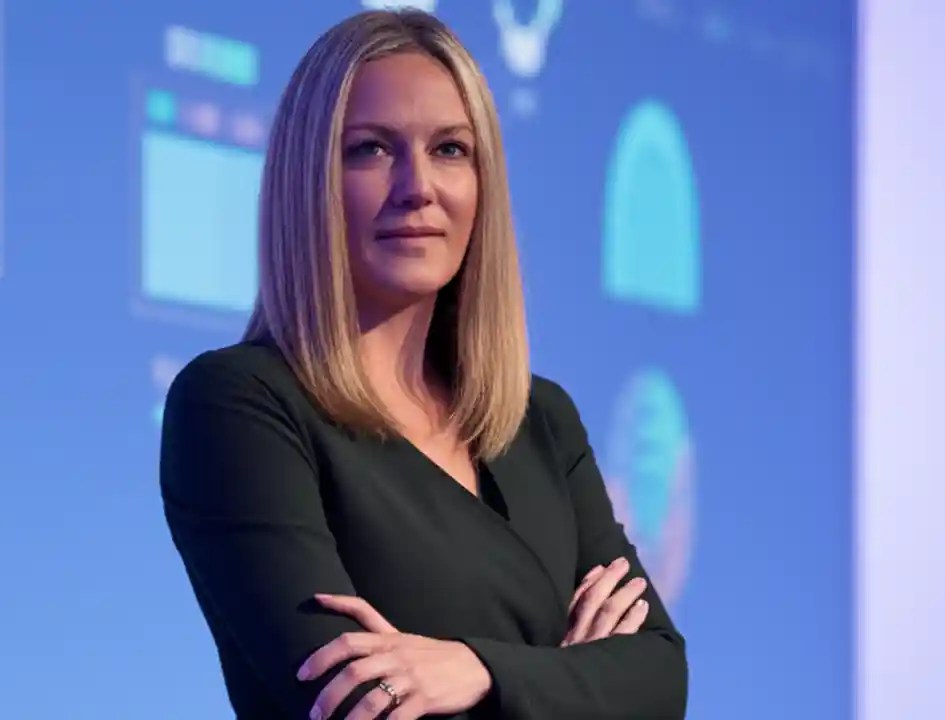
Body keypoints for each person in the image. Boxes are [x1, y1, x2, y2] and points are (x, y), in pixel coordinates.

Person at [159, 9, 687, 719]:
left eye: (450, 150)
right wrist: (573, 677)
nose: (419, 187)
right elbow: (357, 701)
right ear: (309, 181)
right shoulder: (238, 406)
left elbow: (657, 679)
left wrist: (471, 670)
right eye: (372, 150)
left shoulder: (541, 422)